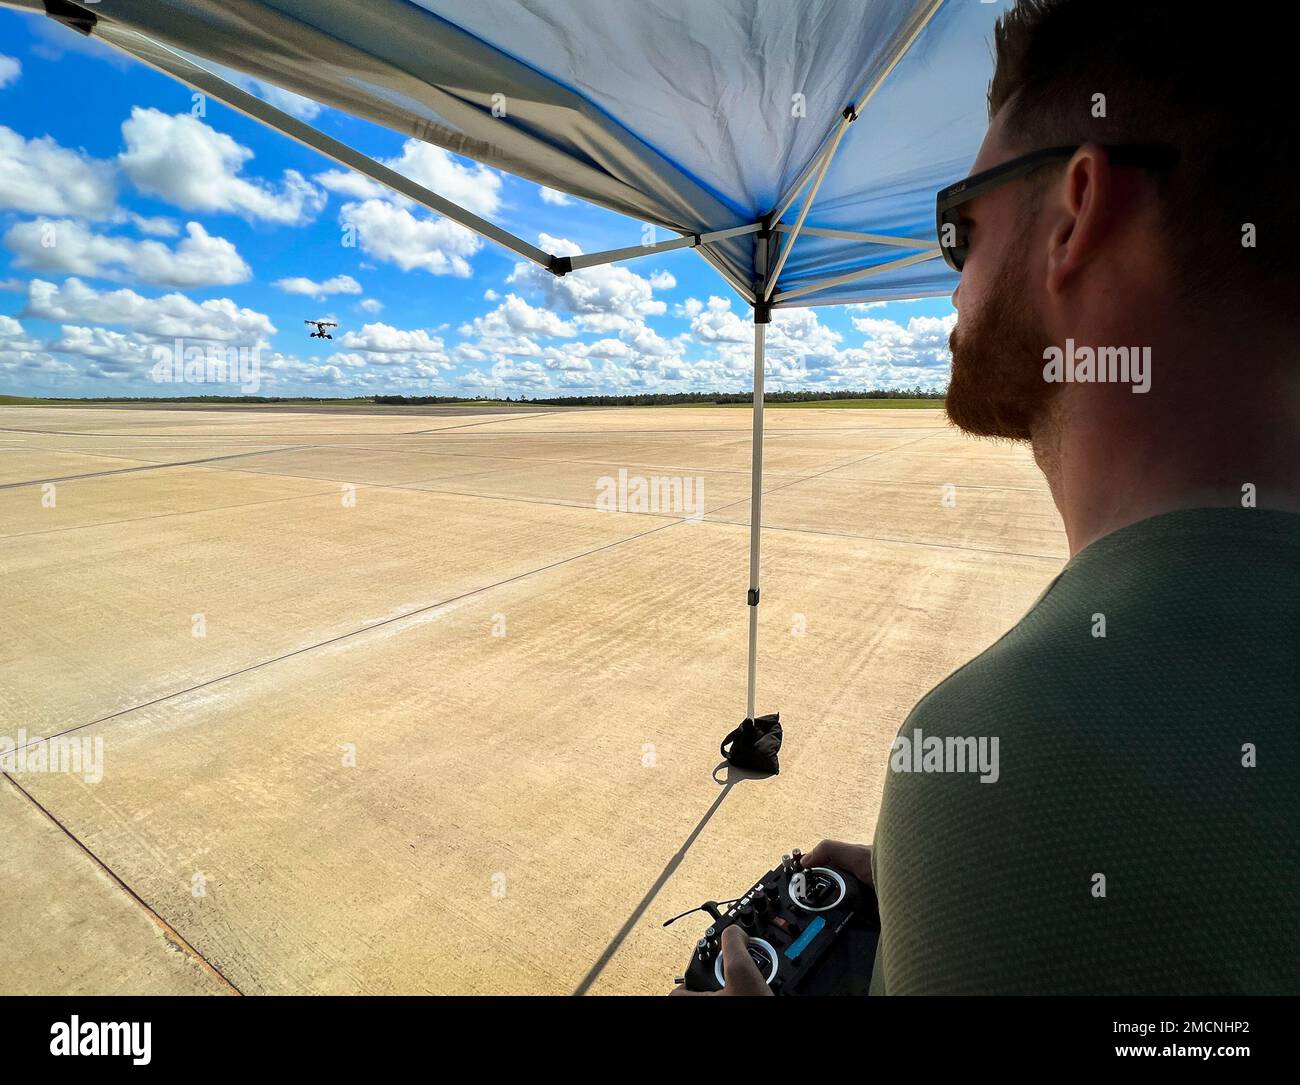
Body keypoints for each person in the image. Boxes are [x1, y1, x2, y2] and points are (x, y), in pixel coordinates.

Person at [680, 0, 1299, 995]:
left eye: (959, 228)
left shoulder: (1017, 760)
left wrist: (979, 855)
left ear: (1076, 212)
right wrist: (936, 896)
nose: (953, 286)